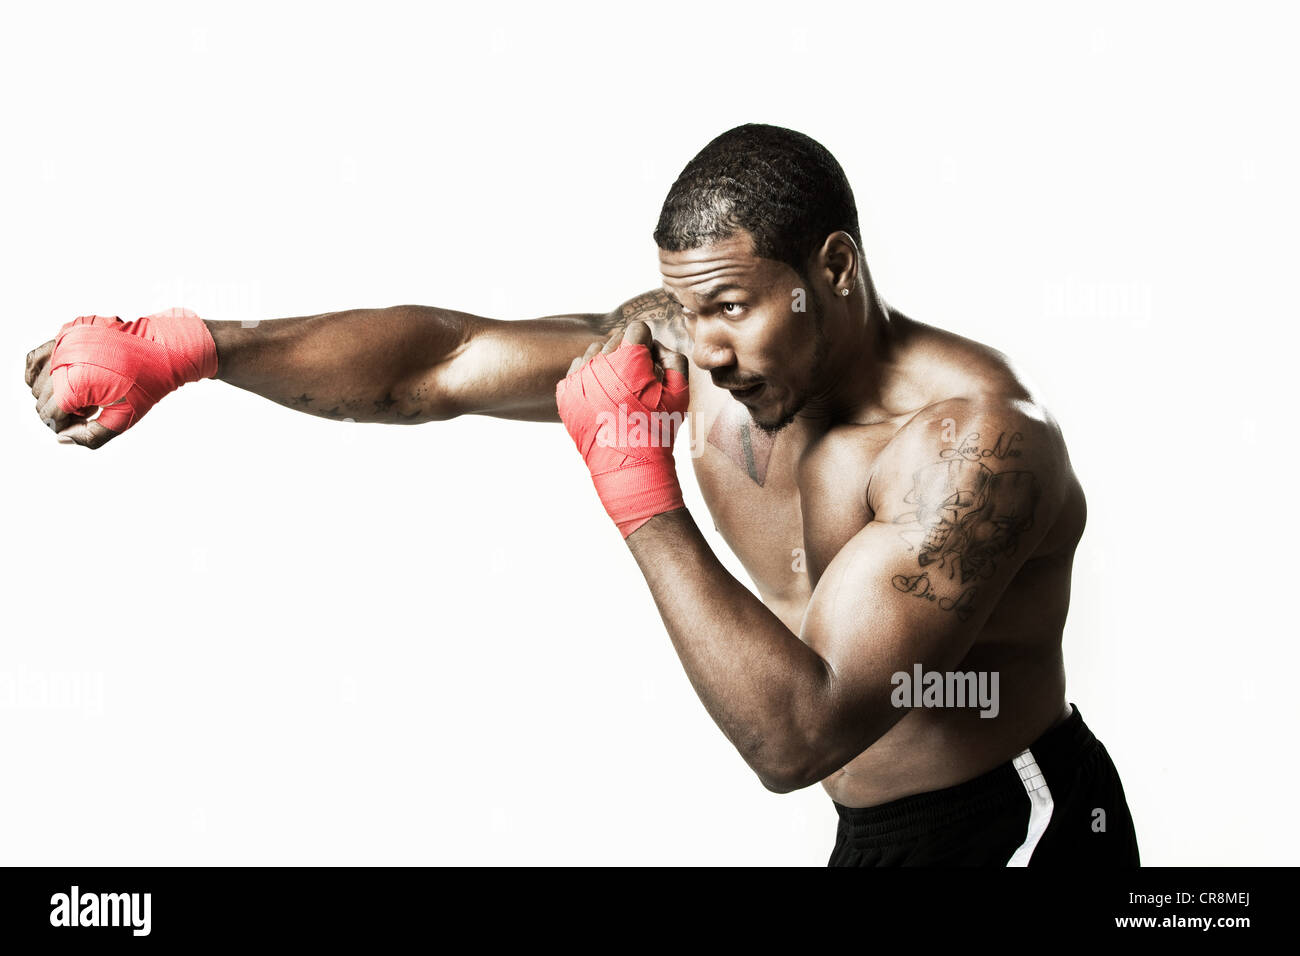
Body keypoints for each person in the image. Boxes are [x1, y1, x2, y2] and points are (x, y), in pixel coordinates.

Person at [24, 124, 1139, 866]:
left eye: (735, 306)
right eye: (685, 307)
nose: (705, 346)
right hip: (866, 831)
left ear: (834, 271)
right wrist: (195, 349)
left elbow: (798, 733)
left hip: (1018, 820)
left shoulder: (974, 444)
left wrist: (638, 492)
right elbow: (438, 363)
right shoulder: (702, 351)